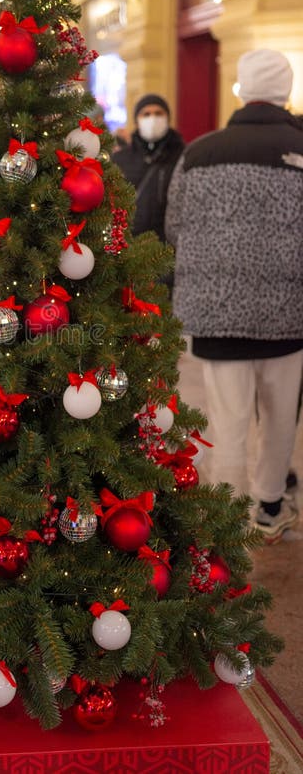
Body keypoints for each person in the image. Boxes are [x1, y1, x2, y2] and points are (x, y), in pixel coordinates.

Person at [165, 48, 303, 541]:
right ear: (285, 91)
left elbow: (175, 227)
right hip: (289, 314)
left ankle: (227, 515)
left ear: (241, 89)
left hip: (216, 311)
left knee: (228, 419)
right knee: (280, 417)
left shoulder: (199, 152)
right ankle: (268, 507)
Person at [113, 93, 185, 243]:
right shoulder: (120, 159)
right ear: (137, 121)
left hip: (168, 247)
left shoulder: (182, 157)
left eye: (159, 113)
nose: (153, 118)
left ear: (167, 118)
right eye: (146, 114)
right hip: (130, 245)